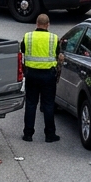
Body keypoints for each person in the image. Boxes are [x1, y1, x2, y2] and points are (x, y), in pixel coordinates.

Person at [22, 13, 64, 143]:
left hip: (32, 74)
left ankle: (28, 134)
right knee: (48, 105)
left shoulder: (28, 37)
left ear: (36, 23)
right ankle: (50, 135)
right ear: (48, 25)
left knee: (30, 104)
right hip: (48, 76)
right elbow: (59, 56)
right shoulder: (54, 38)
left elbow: (22, 50)